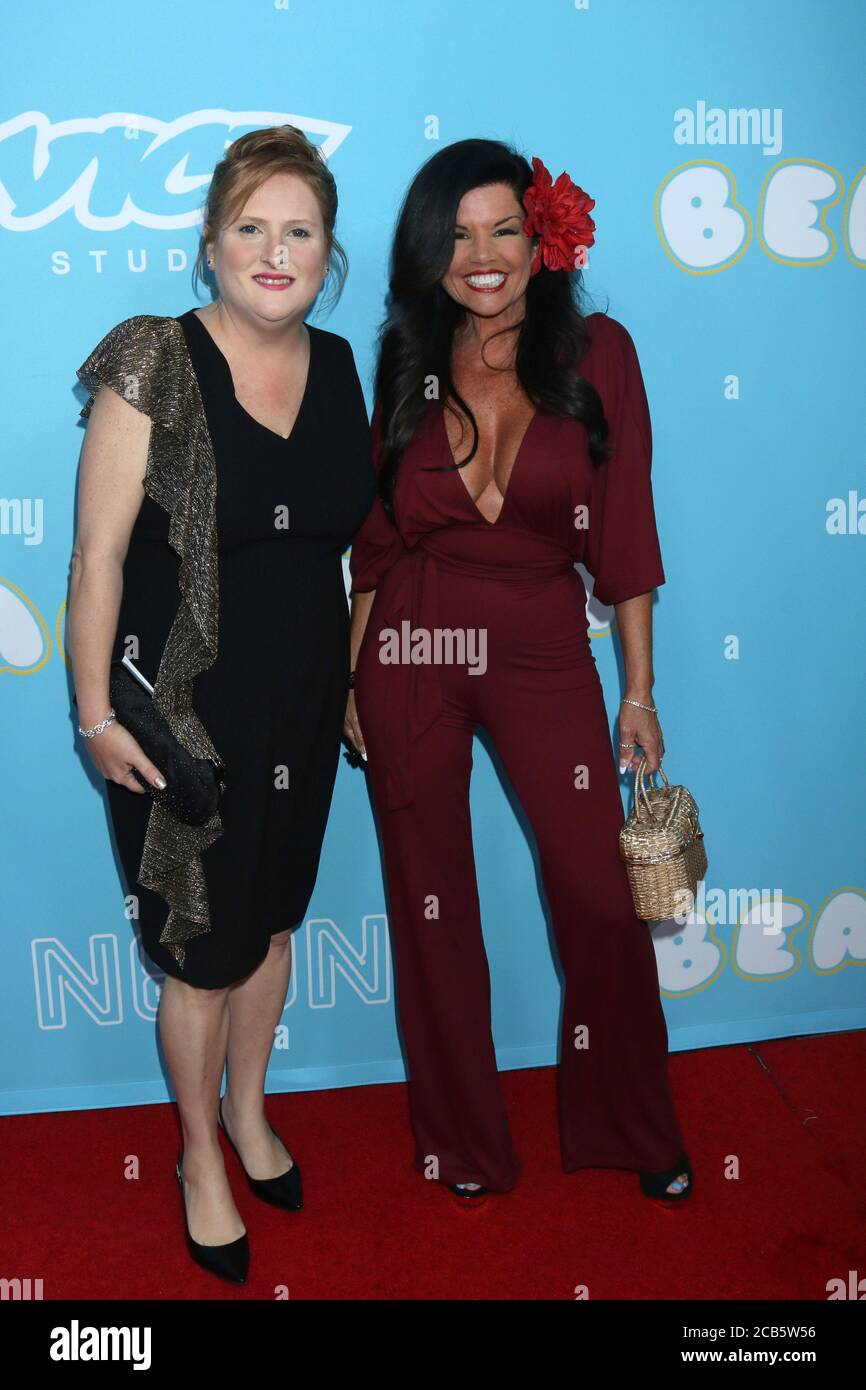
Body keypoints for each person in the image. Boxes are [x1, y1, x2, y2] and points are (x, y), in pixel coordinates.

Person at [344, 139, 691, 1205]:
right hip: (413, 633)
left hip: (541, 634)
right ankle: (463, 1143)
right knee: (430, 899)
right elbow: (377, 530)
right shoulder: (407, 351)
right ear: (427, 249)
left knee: (596, 893)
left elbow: (623, 531)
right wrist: (356, 671)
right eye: (456, 234)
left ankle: (631, 1122)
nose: (480, 255)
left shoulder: (598, 353)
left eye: (503, 228)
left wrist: (635, 691)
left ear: (543, 236)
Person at [68, 126, 377, 1282]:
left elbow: (355, 555)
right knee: (200, 953)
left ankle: (249, 1112)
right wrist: (95, 717)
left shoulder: (345, 366)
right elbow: (96, 557)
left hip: (300, 705)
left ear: (326, 251)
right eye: (251, 226)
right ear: (209, 247)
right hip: (174, 718)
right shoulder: (154, 358)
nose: (274, 249)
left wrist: (351, 684)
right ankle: (200, 1153)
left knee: (274, 926)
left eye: (297, 229)